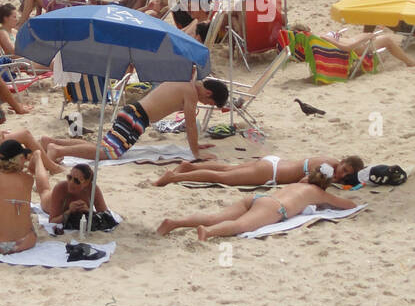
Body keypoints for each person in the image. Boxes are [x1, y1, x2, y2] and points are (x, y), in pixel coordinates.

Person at [41, 77, 228, 166]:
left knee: (103, 145)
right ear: (208, 93)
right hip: (137, 118)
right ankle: (59, 150)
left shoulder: (186, 81)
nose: (206, 104)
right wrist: (196, 153)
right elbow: (189, 124)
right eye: (209, 102)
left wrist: (196, 146)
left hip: (133, 113)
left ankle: (52, 143)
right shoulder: (191, 93)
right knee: (108, 152)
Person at [156, 169, 361, 239]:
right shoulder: (318, 193)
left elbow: (304, 183)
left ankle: (174, 223)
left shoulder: (298, 183)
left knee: (215, 217)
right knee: (239, 226)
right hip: (274, 207)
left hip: (258, 197)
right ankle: (208, 233)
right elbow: (348, 205)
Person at [153, 153, 365, 189]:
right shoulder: (328, 166)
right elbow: (304, 182)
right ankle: (174, 177)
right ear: (342, 160)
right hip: (270, 173)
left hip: (273, 163)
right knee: (223, 177)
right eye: (344, 169)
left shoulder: (329, 162)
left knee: (228, 169)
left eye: (346, 174)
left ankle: (189, 166)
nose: (341, 175)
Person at [0, 140, 37, 254]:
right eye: (24, 156)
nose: (25, 159)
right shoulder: (29, 179)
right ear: (19, 158)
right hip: (25, 242)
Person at [31, 157, 109, 226]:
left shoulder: (93, 190)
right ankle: (38, 157)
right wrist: (69, 211)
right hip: (48, 204)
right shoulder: (60, 188)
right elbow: (52, 221)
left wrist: (88, 211)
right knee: (44, 191)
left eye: (76, 181)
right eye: (69, 177)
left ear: (87, 183)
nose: (71, 183)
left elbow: (106, 216)